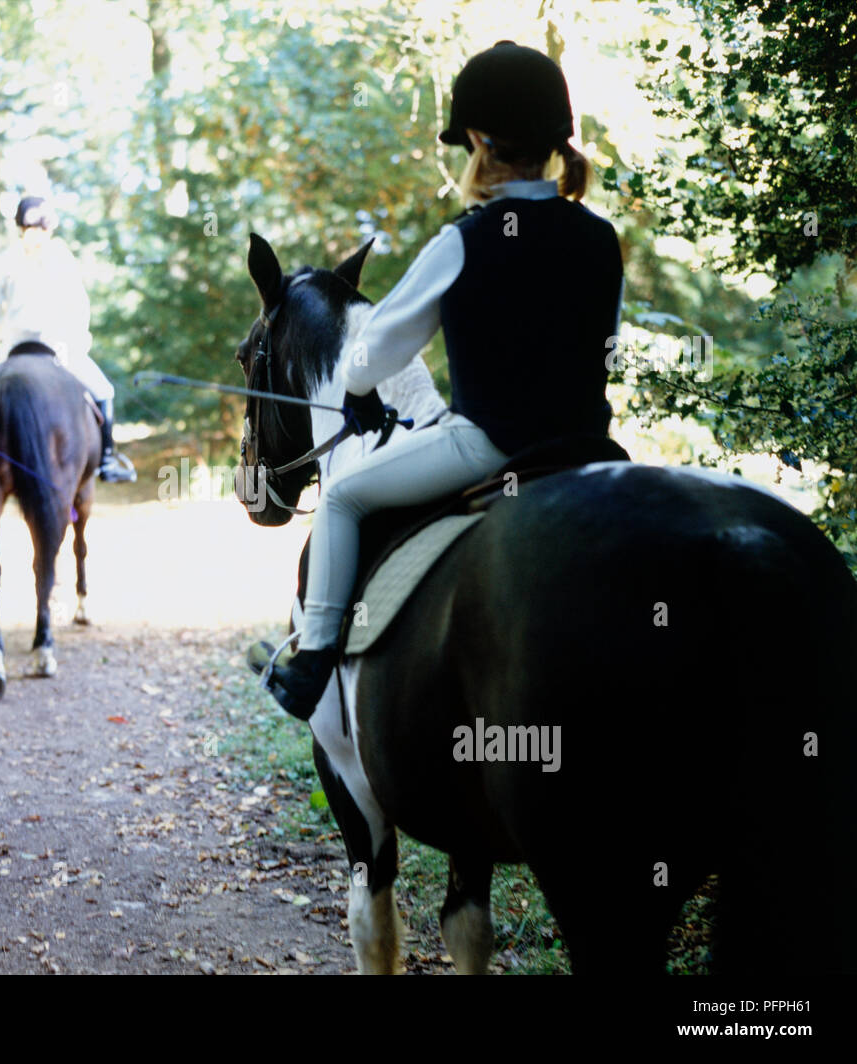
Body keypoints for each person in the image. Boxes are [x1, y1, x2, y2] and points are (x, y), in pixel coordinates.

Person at [263, 41, 624, 719]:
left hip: (488, 446)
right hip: (591, 452)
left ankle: (311, 664)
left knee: (341, 497)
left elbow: (371, 353)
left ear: (480, 142)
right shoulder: (600, 237)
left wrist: (359, 391)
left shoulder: (465, 240)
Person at [0, 195, 136, 483]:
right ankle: (106, 461)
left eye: (39, 230)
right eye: (32, 230)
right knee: (104, 391)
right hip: (55, 347)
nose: (36, 236)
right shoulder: (59, 256)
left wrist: (4, 336)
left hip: (16, 349)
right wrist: (75, 343)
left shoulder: (7, 258)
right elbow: (79, 308)